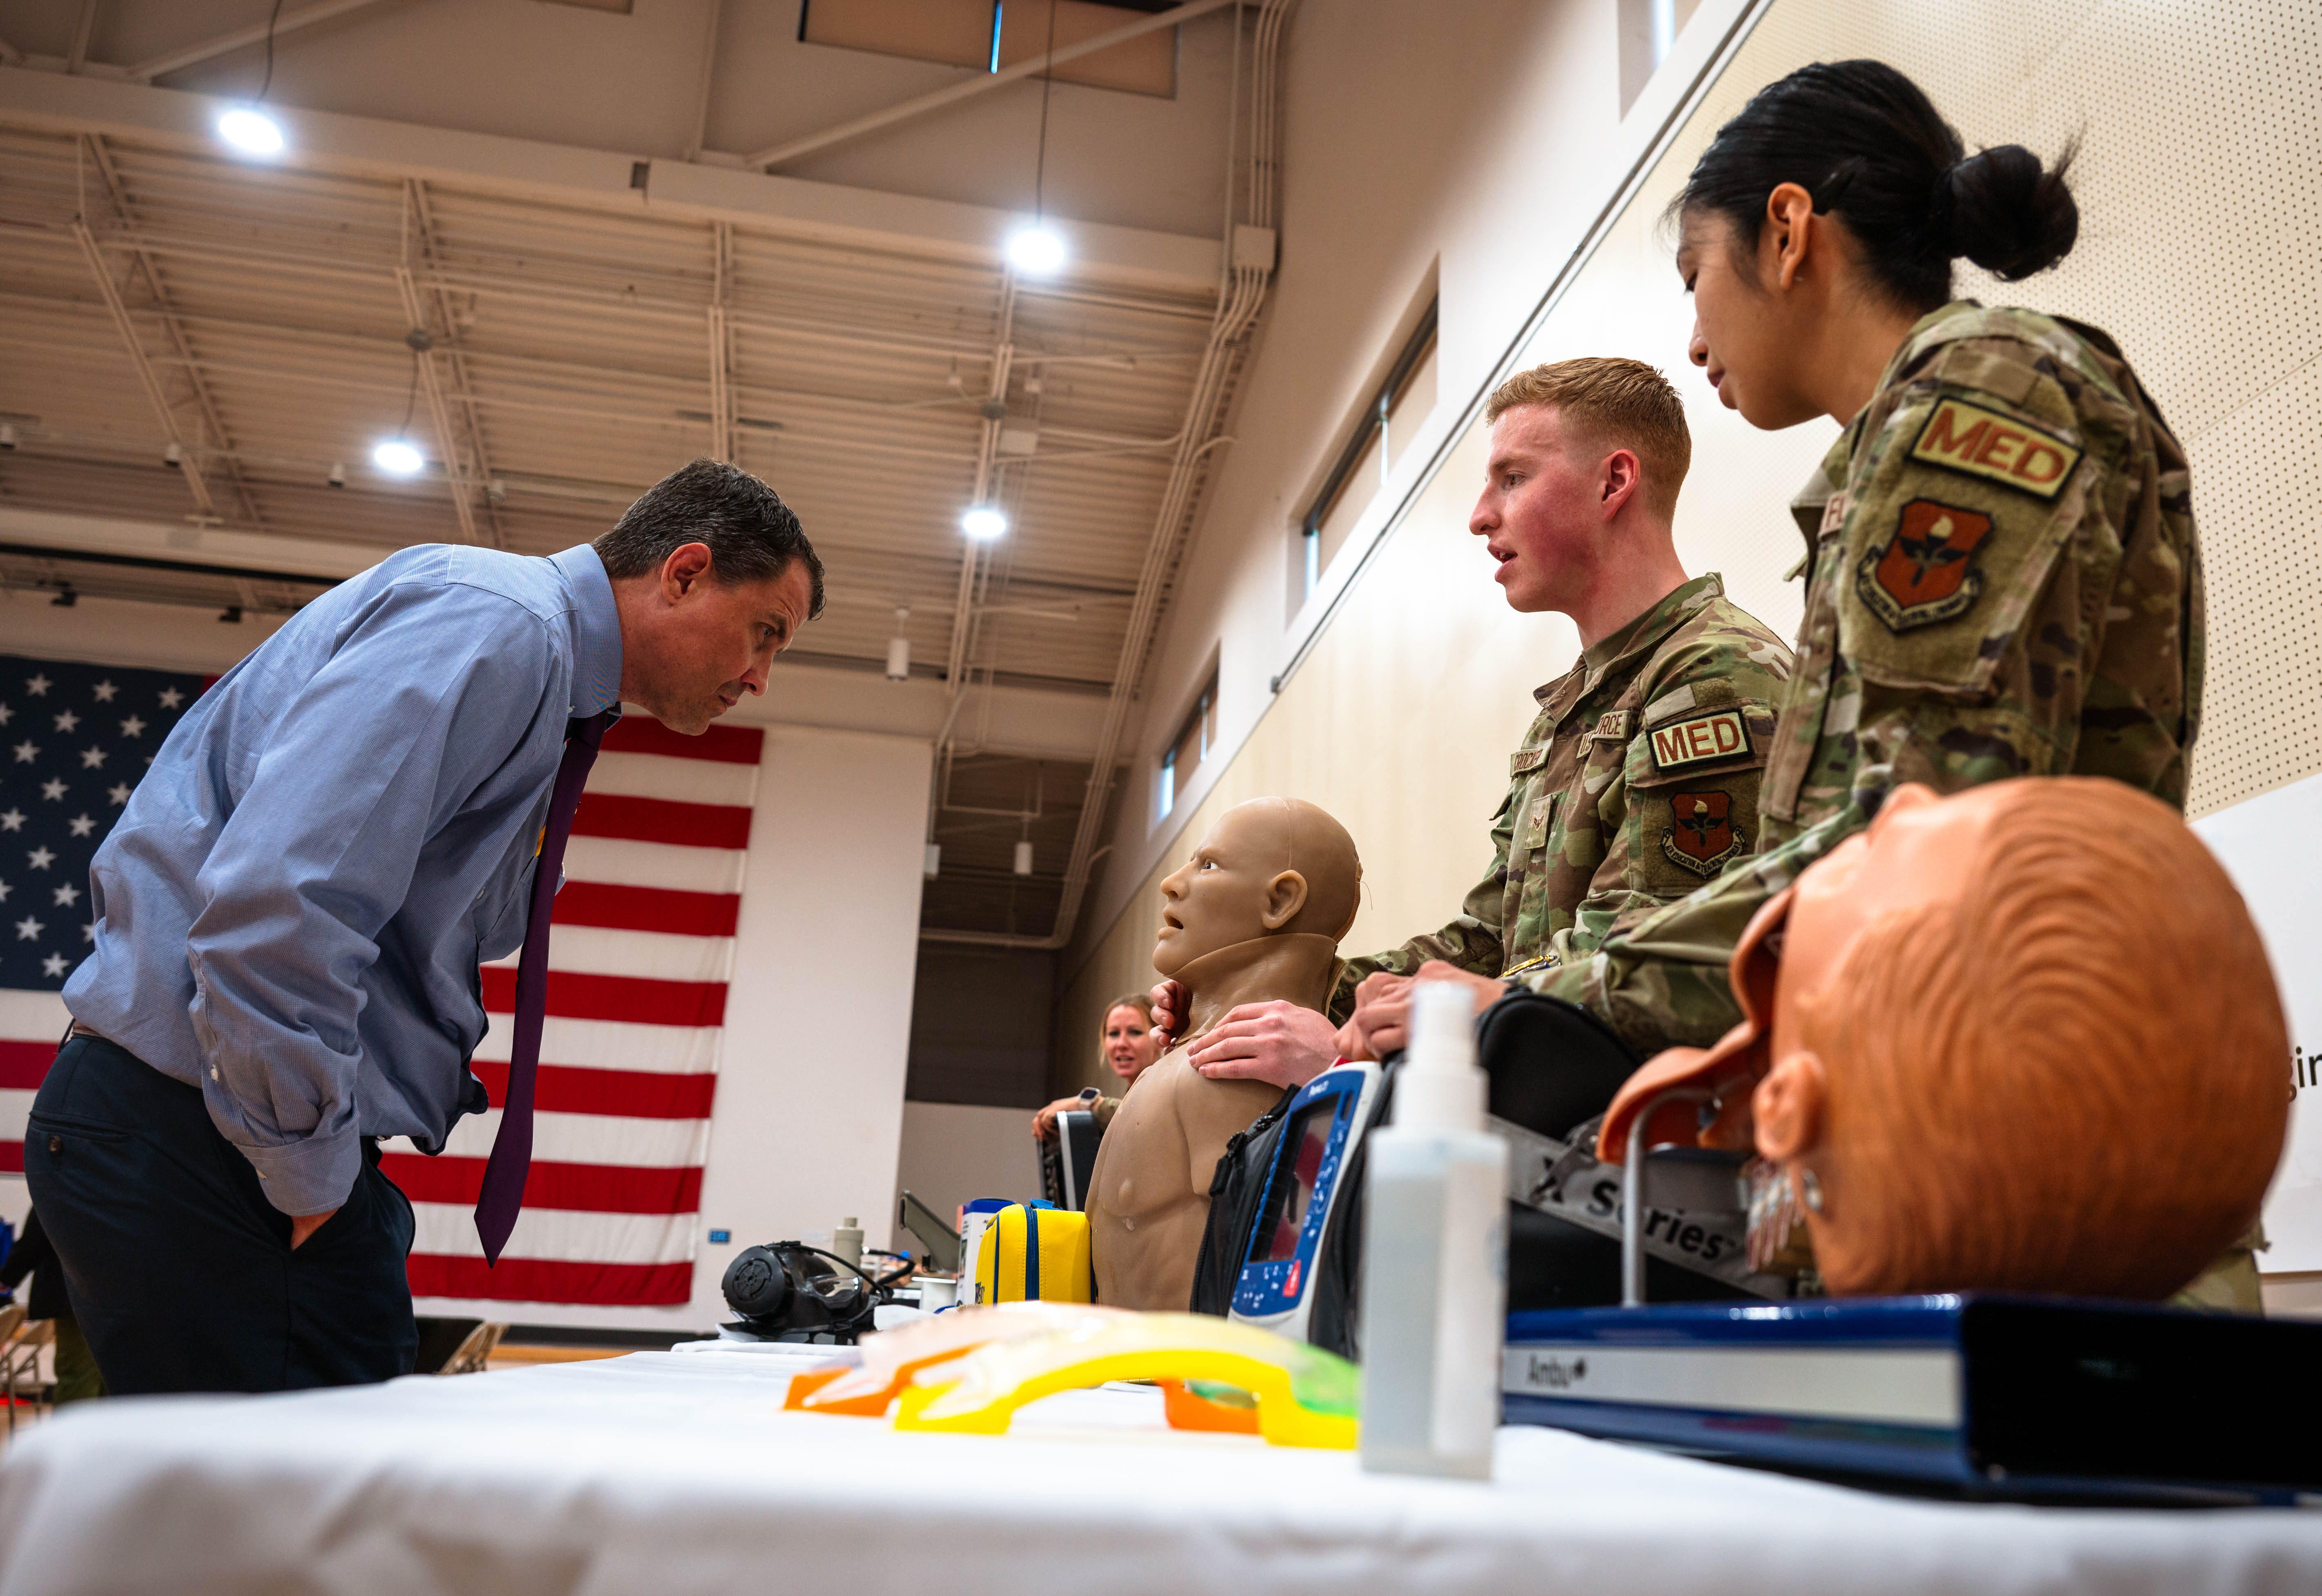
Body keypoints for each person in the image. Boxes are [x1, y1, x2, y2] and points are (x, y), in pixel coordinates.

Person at [1344, 60, 2201, 1064]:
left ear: (1789, 233)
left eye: (1695, 276)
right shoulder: (1910, 430)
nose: (1695, 336)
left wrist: (1527, 1000)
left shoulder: (1976, 395)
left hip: (2013, 1127)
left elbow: (1906, 843)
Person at [29, 459, 824, 1396]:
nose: (761, 677)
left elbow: (456, 924)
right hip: (212, 1129)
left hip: (210, 1124)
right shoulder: (498, 624)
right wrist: (313, 1181)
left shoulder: (543, 671)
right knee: (285, 1526)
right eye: (764, 634)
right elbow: (281, 907)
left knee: (263, 1519)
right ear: (684, 572)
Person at [1156, 357, 1793, 1083]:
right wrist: (1259, 989)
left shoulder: (1711, 676)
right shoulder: (1567, 716)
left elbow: (1638, 964)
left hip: (1640, 1140)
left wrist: (1348, 1050)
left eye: (1512, 477)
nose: (1479, 514)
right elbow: (1490, 943)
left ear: (1613, 483)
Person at [0, 1209, 105, 1403]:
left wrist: (8, 1277)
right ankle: (104, 1431)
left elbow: (35, 1238)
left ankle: (73, 1433)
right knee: (103, 1373)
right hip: (115, 1293)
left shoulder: (63, 1181)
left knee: (77, 1373)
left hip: (76, 1292)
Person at [1031, 994, 1160, 1142]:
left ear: (1160, 1038)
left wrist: (1085, 1104)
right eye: (1114, 1034)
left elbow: (1140, 1120)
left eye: (1135, 1032)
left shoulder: (1168, 1088)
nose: (1122, 1044)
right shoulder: (1133, 1095)